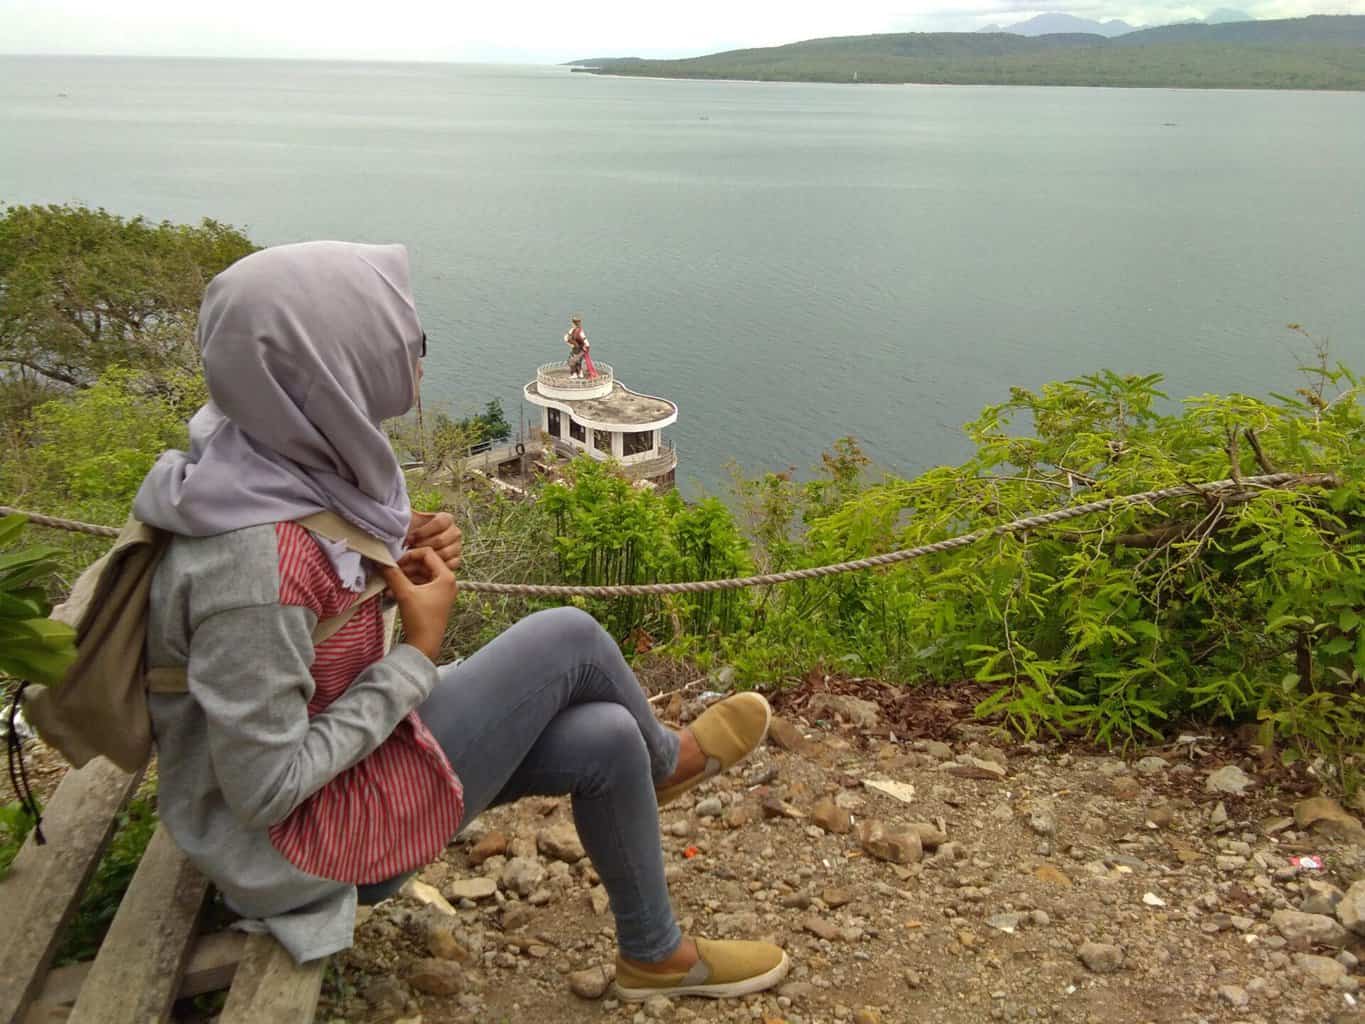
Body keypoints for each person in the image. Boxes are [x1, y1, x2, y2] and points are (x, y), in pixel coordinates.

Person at [133, 241, 789, 1002]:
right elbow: (265, 787)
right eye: (402, 342)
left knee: (610, 736)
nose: (416, 357)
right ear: (331, 365)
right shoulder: (254, 566)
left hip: (338, 780)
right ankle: (668, 761)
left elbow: (306, 637)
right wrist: (417, 653)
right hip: (301, 847)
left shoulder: (265, 464)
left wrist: (389, 564)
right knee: (569, 636)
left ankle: (654, 954)